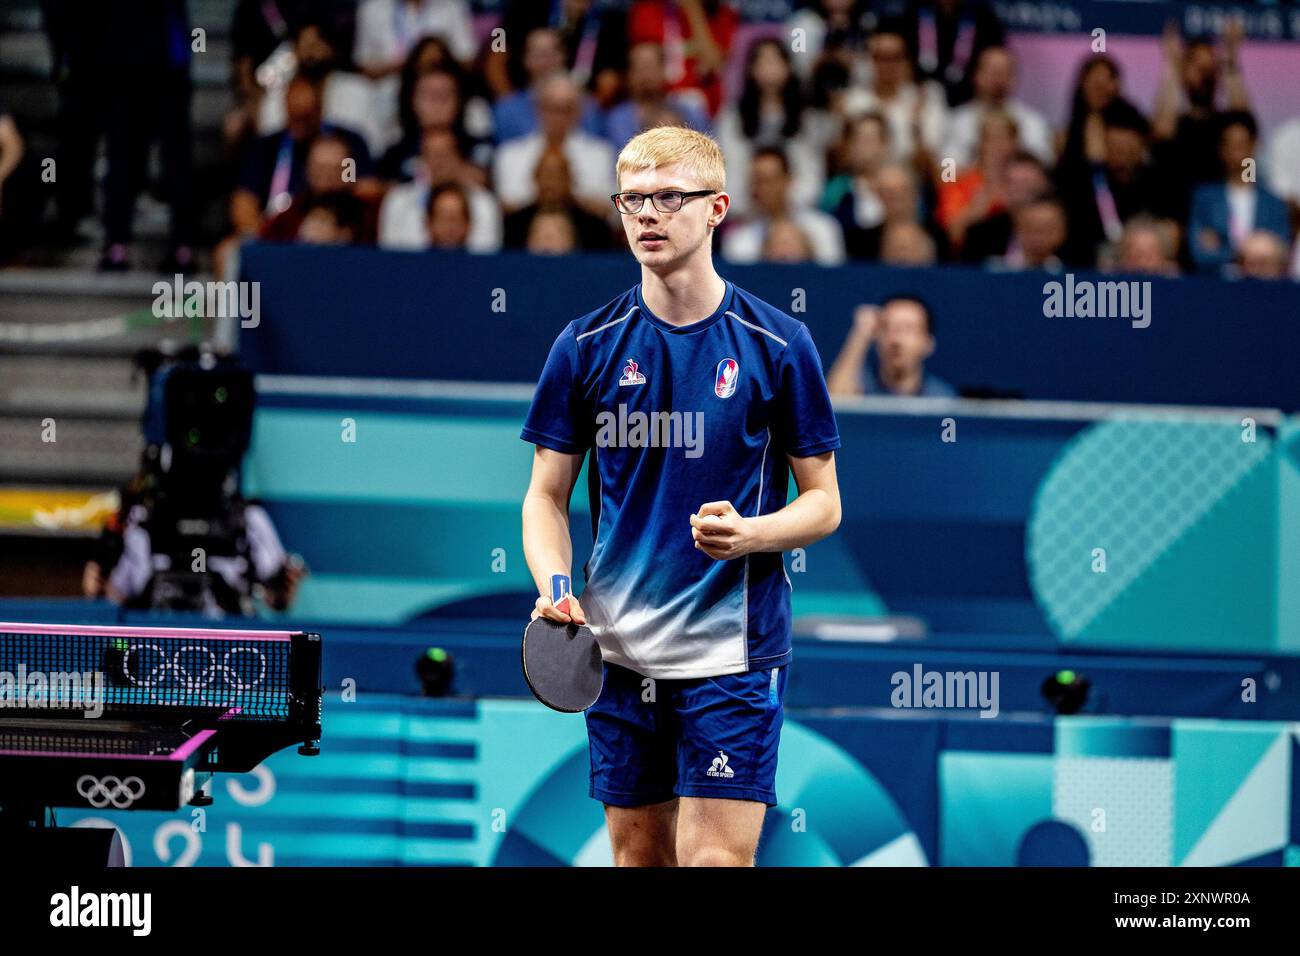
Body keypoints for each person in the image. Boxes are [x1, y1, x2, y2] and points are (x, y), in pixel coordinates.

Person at [519, 125, 842, 866]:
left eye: (668, 197)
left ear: (717, 208)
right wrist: (556, 586)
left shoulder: (779, 344)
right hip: (617, 649)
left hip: (732, 655)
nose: (647, 216)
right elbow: (545, 496)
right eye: (632, 200)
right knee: (639, 861)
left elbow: (824, 500)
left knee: (715, 862)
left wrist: (754, 534)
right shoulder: (585, 346)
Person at [1189, 111, 1289, 275]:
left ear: (1254, 145)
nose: (1237, 153)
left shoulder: (1274, 204)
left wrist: (1224, 248)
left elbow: (1281, 253)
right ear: (1221, 149)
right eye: (1231, 145)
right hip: (1217, 288)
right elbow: (1200, 254)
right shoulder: (1204, 199)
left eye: (1242, 144)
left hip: (1266, 290)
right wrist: (1253, 253)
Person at [721, 147, 845, 265]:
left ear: (788, 180)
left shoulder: (824, 229)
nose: (763, 188)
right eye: (757, 180)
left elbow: (835, 280)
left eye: (769, 180)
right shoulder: (739, 241)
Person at [941, 45, 1053, 168]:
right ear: (976, 76)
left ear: (1015, 78)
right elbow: (946, 171)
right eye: (993, 72)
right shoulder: (958, 121)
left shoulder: (1032, 121)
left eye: (1005, 72)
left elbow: (1044, 166)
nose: (999, 79)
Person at [827, 296, 955, 397]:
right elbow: (833, 408)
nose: (896, 340)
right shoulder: (861, 385)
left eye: (908, 329)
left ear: (928, 343)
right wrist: (860, 335)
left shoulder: (941, 398)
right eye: (887, 328)